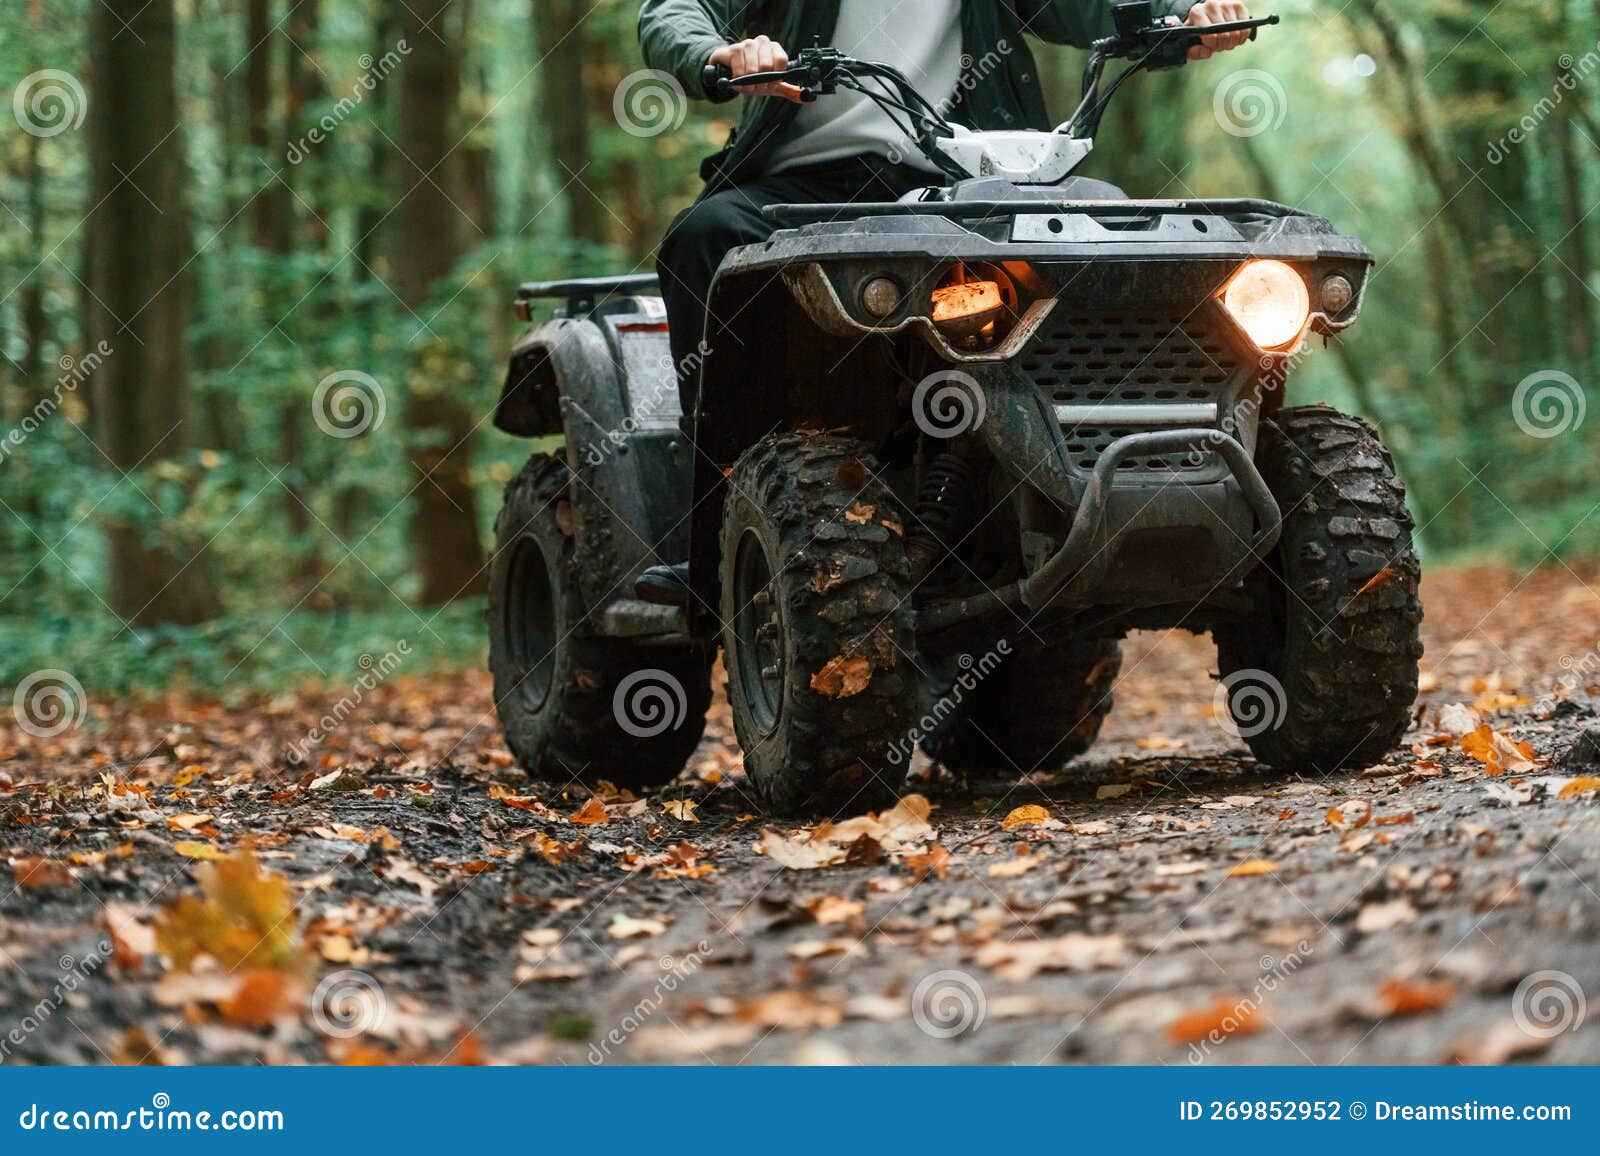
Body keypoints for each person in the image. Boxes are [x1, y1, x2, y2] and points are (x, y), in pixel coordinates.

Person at [635, 0, 1255, 605]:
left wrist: (1179, 16)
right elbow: (676, 9)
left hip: (963, 178)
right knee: (703, 238)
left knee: (1107, 240)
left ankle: (1129, 489)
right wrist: (717, 53)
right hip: (806, 180)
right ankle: (723, 537)